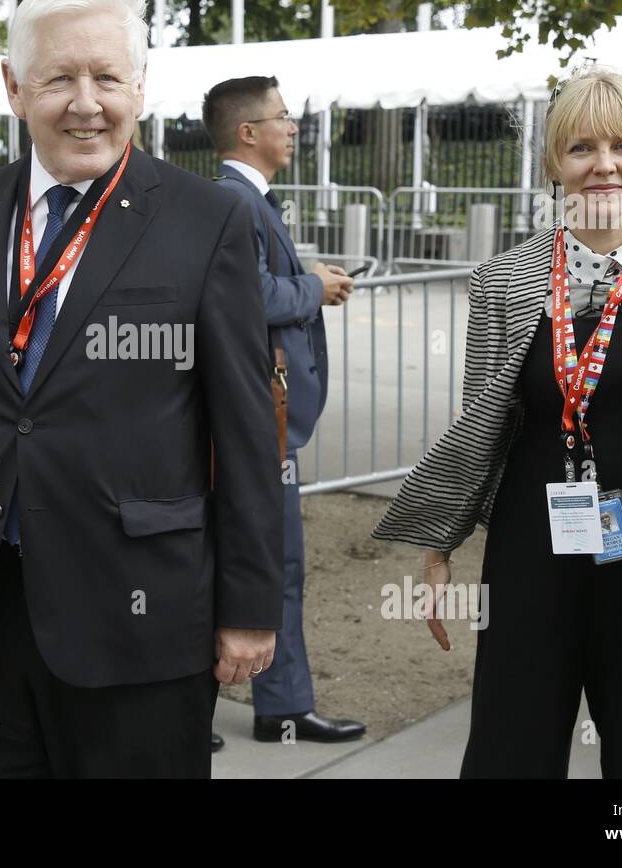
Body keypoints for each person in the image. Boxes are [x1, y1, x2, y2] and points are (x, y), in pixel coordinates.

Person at [0, 0, 285, 778]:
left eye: (106, 76)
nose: (86, 102)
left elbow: (241, 431)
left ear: (140, 85)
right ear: (14, 87)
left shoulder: (210, 222)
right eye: (60, 77)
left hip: (141, 617)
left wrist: (249, 606)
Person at [371, 66, 622, 777]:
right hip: (533, 557)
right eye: (582, 148)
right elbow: (478, 427)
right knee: (509, 749)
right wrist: (440, 546)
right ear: (555, 163)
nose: (603, 166)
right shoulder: (505, 278)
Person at [201, 75, 365, 750]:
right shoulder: (234, 202)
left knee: (271, 563)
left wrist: (303, 276)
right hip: (257, 422)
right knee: (272, 564)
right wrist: (313, 285)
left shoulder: (243, 202)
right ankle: (280, 706)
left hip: (262, 420)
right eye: (283, 117)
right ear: (248, 132)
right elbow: (249, 299)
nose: (293, 127)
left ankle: (282, 704)